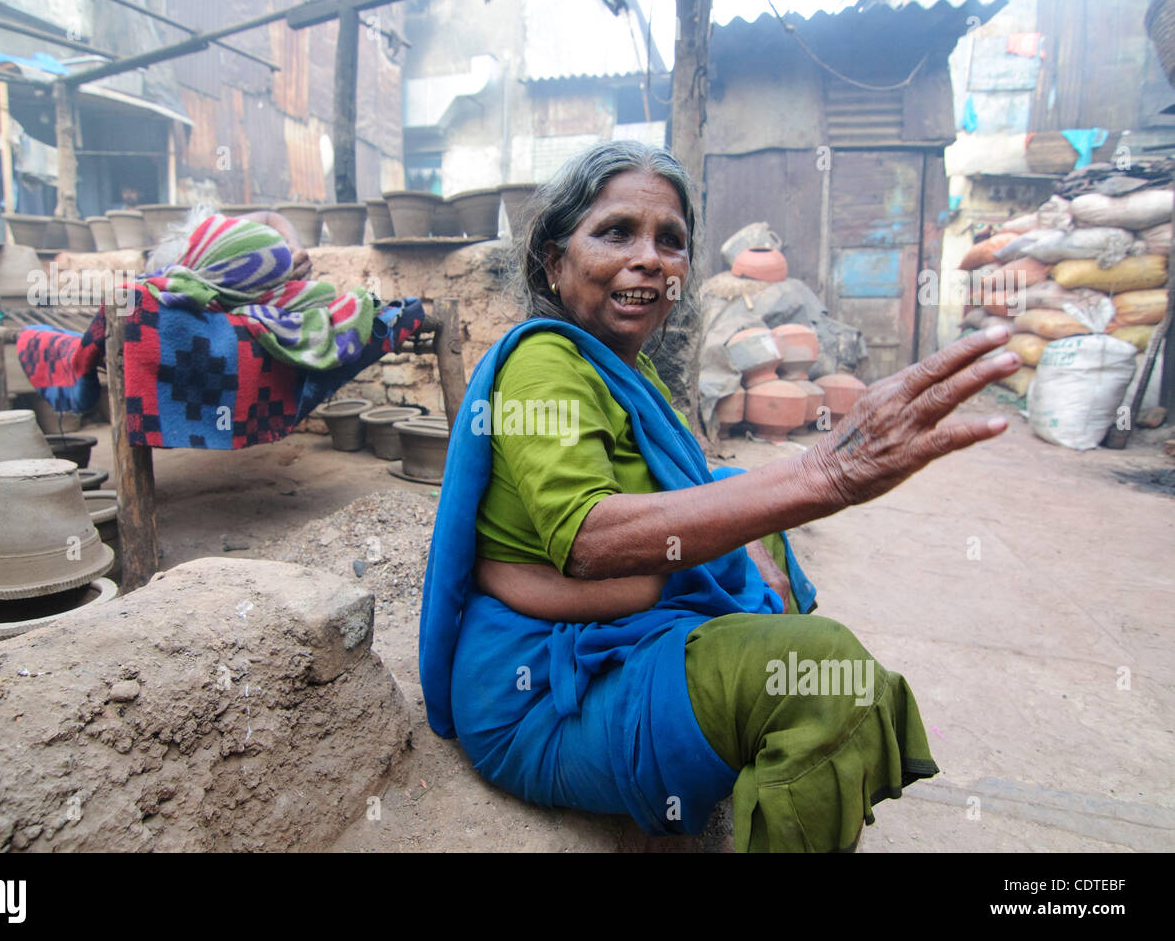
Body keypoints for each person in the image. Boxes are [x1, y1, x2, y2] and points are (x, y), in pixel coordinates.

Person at [418, 142, 1022, 852]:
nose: (649, 257)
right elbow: (589, 539)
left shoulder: (625, 374)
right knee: (830, 680)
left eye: (669, 240)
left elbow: (689, 502)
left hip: (609, 639)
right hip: (543, 690)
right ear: (555, 260)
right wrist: (822, 474)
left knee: (753, 525)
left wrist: (719, 544)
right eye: (616, 231)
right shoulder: (544, 363)